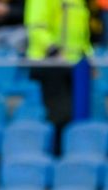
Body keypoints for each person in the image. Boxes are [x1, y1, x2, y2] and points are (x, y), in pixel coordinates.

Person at [25, 0, 92, 154]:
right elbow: (36, 28)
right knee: (61, 115)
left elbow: (82, 32)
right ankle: (57, 158)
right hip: (49, 63)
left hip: (74, 66)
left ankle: (69, 156)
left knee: (75, 116)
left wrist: (88, 58)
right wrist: (54, 51)